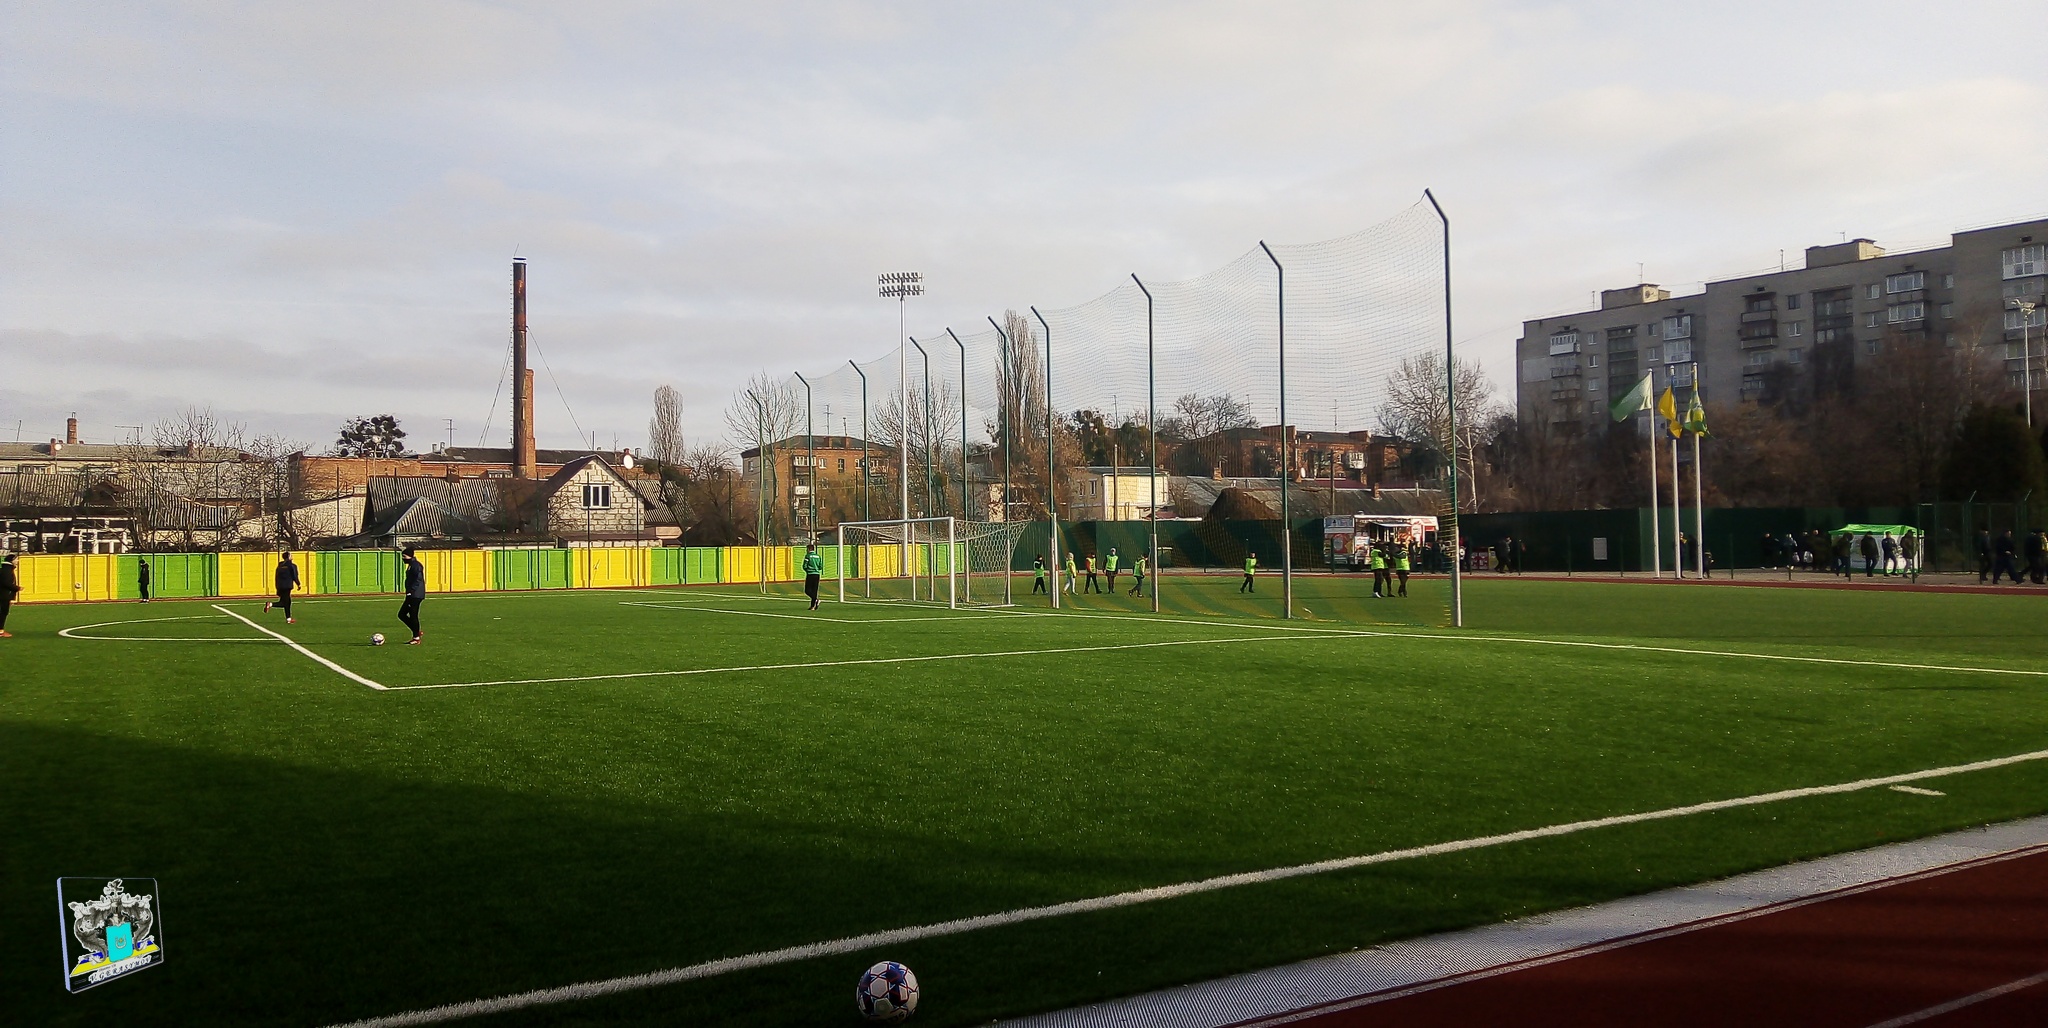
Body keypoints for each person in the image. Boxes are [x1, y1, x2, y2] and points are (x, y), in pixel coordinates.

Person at [398, 546, 426, 644]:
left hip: (415, 595)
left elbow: (418, 579)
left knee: (413, 615)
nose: (403, 558)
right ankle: (416, 632)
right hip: (412, 594)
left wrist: (411, 591)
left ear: (409, 556)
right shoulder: (411, 565)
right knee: (402, 614)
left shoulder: (416, 565)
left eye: (404, 556)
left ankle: (416, 637)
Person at [265, 552, 300, 624]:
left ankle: (289, 619)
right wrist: (298, 584)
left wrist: (277, 587)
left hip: (280, 586)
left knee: (286, 602)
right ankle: (270, 604)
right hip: (287, 586)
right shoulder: (292, 566)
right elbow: (294, 576)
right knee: (286, 603)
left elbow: (276, 577)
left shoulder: (280, 566)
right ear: (289, 557)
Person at [801, 543, 825, 610]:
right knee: (815, 590)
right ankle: (812, 606)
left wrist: (808, 570)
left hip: (810, 574)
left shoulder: (808, 556)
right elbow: (820, 566)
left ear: (808, 549)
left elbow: (804, 566)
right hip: (817, 574)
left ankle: (816, 600)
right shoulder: (818, 556)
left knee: (807, 590)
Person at [0, 552, 17, 638]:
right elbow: (6, 583)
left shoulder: (5, 569)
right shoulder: (7, 570)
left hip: (3, 594)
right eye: (16, 559)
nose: (17, 561)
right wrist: (17, 588)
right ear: (12, 560)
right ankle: (0, 631)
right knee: (3, 612)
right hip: (4, 595)